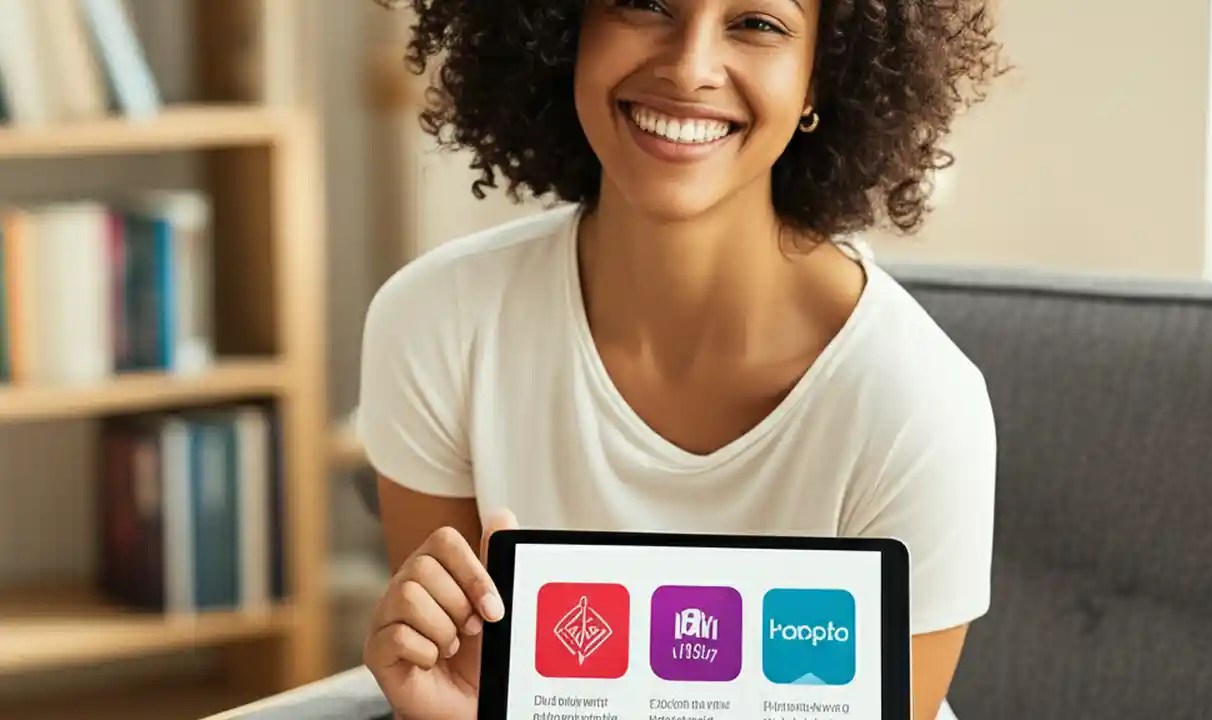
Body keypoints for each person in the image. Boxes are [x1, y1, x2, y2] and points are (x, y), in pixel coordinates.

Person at [357, 1, 1004, 718]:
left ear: (818, 75)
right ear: (568, 27)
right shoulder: (437, 325)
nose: (690, 67)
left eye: (758, 23)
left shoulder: (919, 404)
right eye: (645, 2)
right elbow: (471, 690)